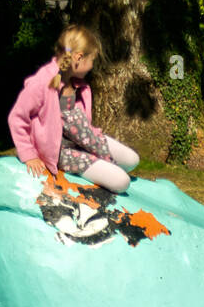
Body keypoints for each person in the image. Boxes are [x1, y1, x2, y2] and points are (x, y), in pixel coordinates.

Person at [8, 24, 140, 193]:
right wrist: (29, 155)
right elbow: (17, 117)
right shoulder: (42, 83)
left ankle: (101, 162)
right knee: (122, 182)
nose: (92, 65)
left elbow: (79, 124)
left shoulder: (77, 83)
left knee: (132, 160)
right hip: (63, 153)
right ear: (78, 57)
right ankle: (98, 165)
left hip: (83, 140)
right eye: (92, 59)